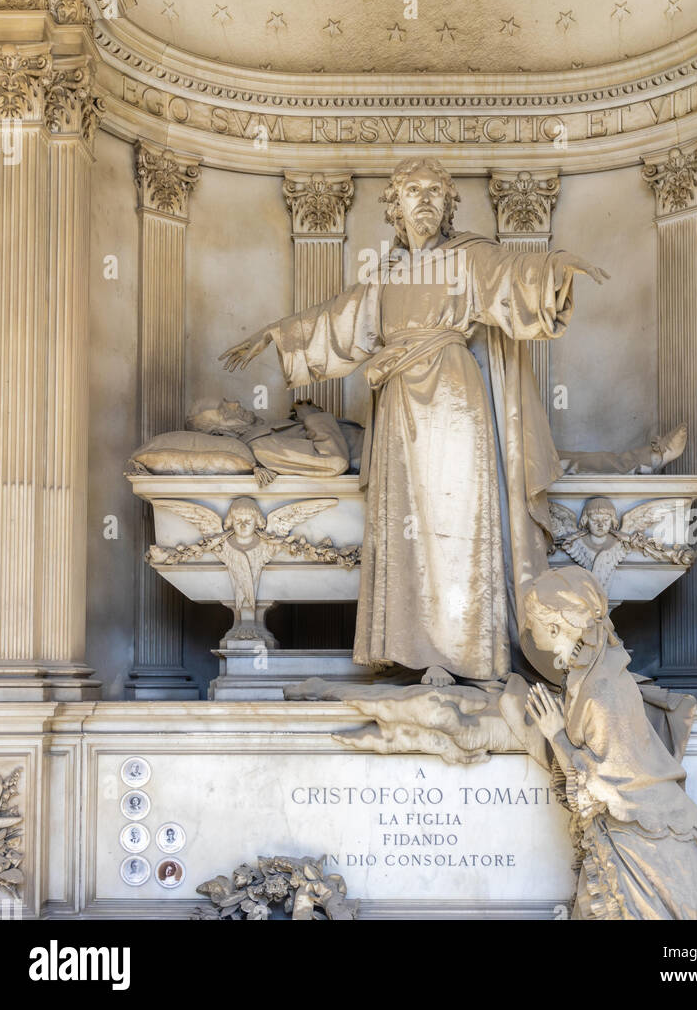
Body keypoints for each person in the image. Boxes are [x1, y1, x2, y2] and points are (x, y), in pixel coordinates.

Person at [221, 158, 607, 683]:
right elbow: (339, 320)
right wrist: (275, 334)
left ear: (448, 204)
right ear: (396, 207)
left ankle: (468, 653)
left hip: (455, 401)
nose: (423, 200)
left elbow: (513, 276)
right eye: (411, 191)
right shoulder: (385, 276)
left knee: (460, 522)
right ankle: (419, 654)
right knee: (408, 530)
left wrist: (555, 269)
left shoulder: (469, 257)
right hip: (399, 408)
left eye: (433, 191)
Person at [505, 566, 697, 920]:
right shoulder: (591, 675)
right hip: (633, 839)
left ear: (554, 626)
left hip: (644, 846)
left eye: (532, 623)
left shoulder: (600, 690)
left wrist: (555, 733)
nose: (527, 631)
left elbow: (602, 782)